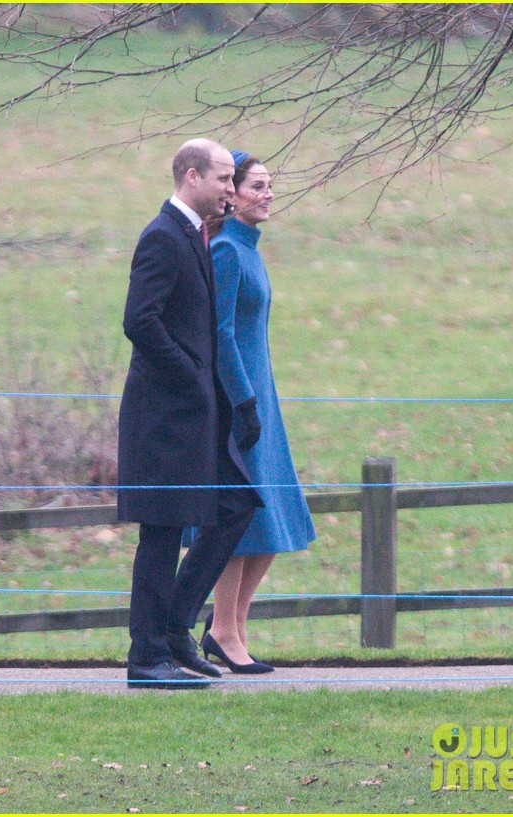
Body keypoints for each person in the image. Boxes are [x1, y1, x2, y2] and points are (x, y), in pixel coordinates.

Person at [117, 137, 262, 690]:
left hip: (197, 416)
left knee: (234, 505)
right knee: (161, 532)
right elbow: (140, 322)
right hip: (165, 419)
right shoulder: (161, 238)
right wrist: (193, 382)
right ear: (192, 176)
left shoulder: (196, 235)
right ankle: (146, 658)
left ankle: (176, 629)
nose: (231, 189)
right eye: (225, 179)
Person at [191, 150, 316, 673]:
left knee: (272, 512)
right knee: (239, 516)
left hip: (262, 399)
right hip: (237, 403)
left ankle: (232, 629)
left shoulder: (249, 249)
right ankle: (222, 628)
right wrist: (242, 401)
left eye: (270, 187)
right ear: (232, 193)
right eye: (258, 186)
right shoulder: (224, 250)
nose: (268, 195)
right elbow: (219, 334)